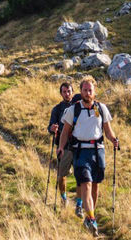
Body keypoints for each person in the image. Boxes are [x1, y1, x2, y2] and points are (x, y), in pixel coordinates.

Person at [55, 75, 120, 235]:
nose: (87, 93)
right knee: (86, 184)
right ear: (80, 91)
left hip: (98, 151)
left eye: (90, 90)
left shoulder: (102, 108)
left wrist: (114, 140)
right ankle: (91, 218)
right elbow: (65, 132)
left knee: (95, 186)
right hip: (80, 151)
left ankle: (90, 216)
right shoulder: (73, 110)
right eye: (85, 90)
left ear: (94, 91)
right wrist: (61, 147)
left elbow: (108, 130)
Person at [46, 80, 83, 215]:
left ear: (73, 92)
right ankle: (64, 198)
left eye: (69, 91)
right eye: (64, 92)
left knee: (80, 176)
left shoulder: (79, 103)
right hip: (64, 146)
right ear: (61, 94)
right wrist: (52, 128)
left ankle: (79, 204)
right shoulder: (57, 110)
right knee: (61, 175)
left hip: (79, 145)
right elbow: (50, 127)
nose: (67, 94)